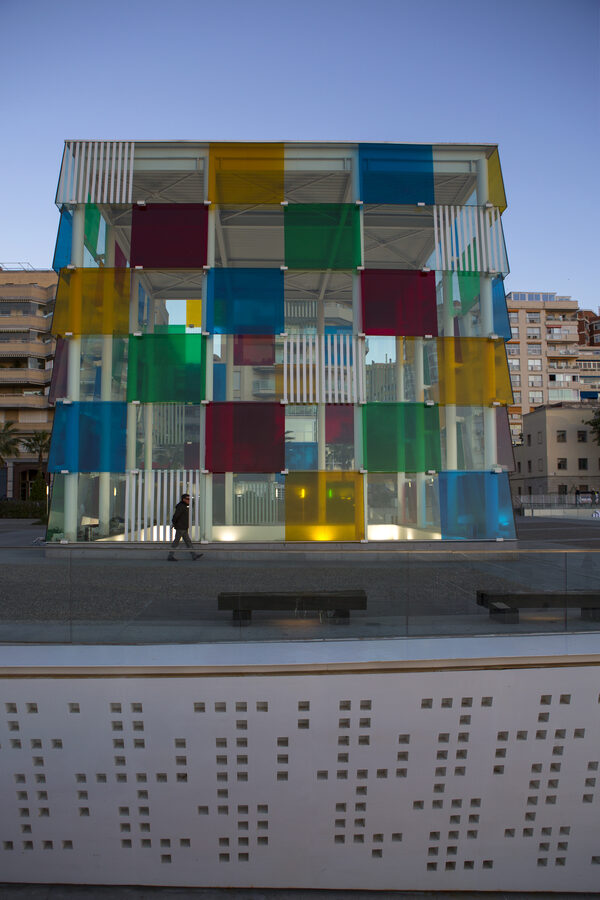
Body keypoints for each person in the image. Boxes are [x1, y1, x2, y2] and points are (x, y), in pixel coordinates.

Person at [168, 493, 202, 561]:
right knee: (176, 542)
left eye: (189, 499)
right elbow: (175, 516)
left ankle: (194, 555)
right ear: (183, 499)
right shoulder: (181, 506)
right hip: (181, 527)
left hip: (183, 527)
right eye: (187, 499)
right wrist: (175, 523)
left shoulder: (185, 506)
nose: (189, 500)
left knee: (187, 542)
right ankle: (170, 556)